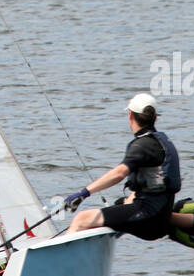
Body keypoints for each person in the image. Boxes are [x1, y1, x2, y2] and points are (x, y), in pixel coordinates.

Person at [61, 93, 180, 240]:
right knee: (108, 212)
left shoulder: (143, 145)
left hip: (149, 218)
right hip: (161, 218)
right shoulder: (163, 143)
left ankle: (58, 260)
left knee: (82, 219)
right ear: (155, 118)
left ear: (130, 115)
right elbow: (152, 187)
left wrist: (84, 193)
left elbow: (119, 173)